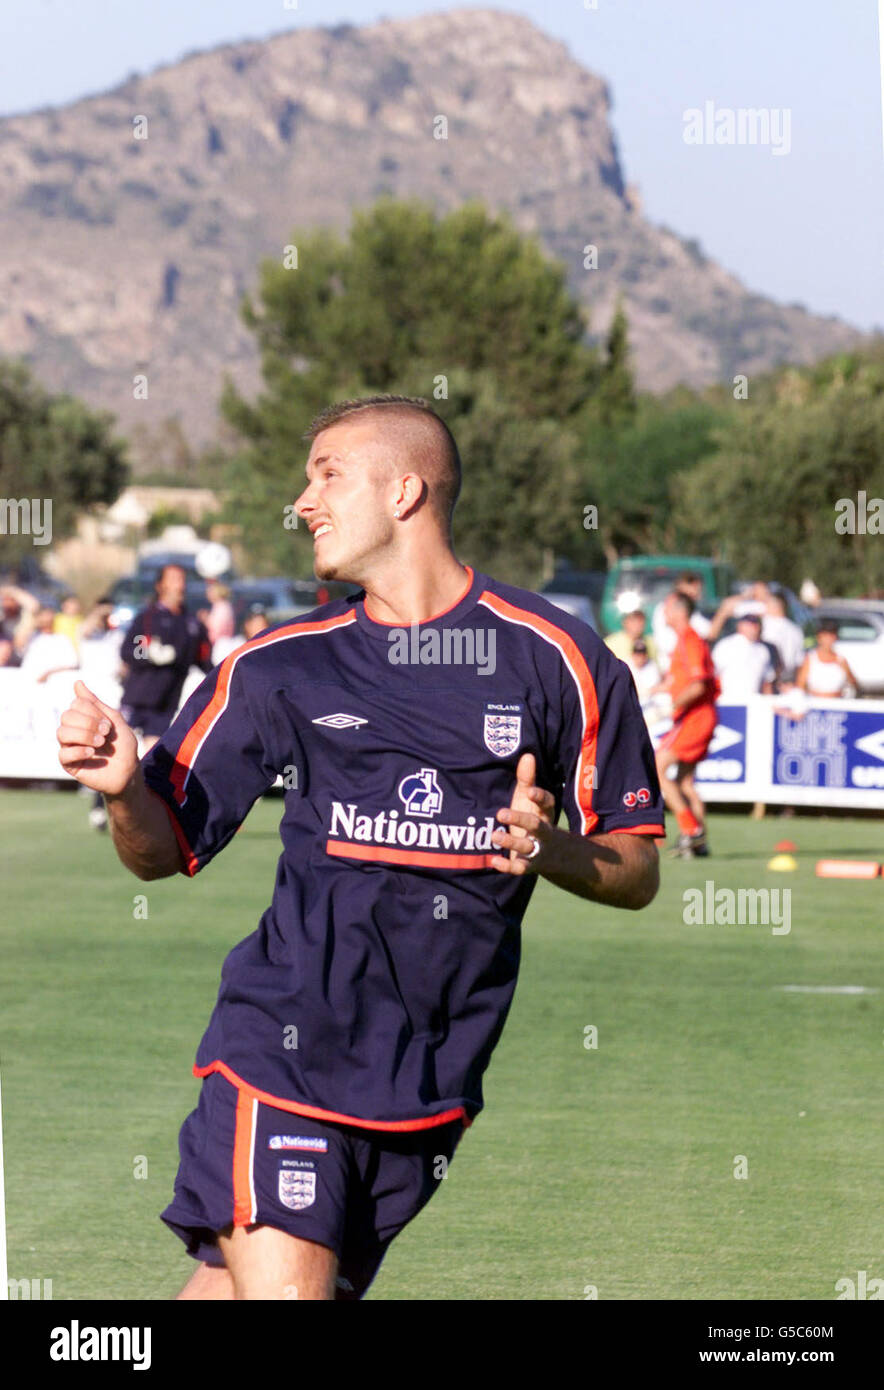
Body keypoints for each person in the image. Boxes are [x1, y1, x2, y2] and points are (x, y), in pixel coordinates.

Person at [57, 394, 664, 1302]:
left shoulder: (560, 658)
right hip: (282, 1052)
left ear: (407, 490)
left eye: (327, 473)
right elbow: (162, 849)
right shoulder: (277, 664)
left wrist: (554, 854)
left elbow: (639, 868)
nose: (302, 501)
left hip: (428, 1085)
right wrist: (126, 792)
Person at [118, 564, 212, 754]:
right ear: (160, 586)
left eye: (182, 580)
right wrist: (150, 655)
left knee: (153, 754)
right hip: (138, 697)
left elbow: (205, 662)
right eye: (174, 580)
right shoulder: (147, 618)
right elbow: (128, 651)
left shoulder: (192, 624)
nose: (180, 586)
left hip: (165, 702)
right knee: (119, 746)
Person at [654, 590, 718, 859]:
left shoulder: (689, 639)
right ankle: (699, 844)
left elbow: (698, 683)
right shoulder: (683, 640)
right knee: (684, 781)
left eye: (667, 608)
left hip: (694, 717)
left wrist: (674, 704)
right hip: (699, 716)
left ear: (679, 611)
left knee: (657, 769)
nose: (664, 613)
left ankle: (691, 831)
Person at [711, 608, 776, 700]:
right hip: (728, 701)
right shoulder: (725, 645)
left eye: (756, 623)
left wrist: (769, 703)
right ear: (739, 625)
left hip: (754, 702)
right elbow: (713, 674)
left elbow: (767, 682)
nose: (753, 627)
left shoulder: (763, 650)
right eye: (749, 623)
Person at [652, 572, 710, 673]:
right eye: (693, 591)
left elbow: (697, 684)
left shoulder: (691, 640)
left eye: (698, 592)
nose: (697, 596)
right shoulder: (663, 609)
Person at [796, 619, 859, 698]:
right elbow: (800, 685)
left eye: (831, 636)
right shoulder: (810, 659)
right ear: (818, 637)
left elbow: (854, 684)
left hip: (837, 703)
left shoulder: (841, 660)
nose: (828, 639)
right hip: (815, 703)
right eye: (825, 635)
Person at [19, 606, 78, 684]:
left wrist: (48, 674)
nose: (46, 618)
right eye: (42, 615)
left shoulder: (62, 639)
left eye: (48, 615)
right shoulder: (31, 637)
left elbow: (72, 664)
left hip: (51, 685)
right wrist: (33, 624)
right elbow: (19, 644)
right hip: (27, 683)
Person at [762, 592, 805, 687]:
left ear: (776, 606)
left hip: (769, 680)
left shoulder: (766, 624)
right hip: (789, 680)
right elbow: (799, 661)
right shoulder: (796, 629)